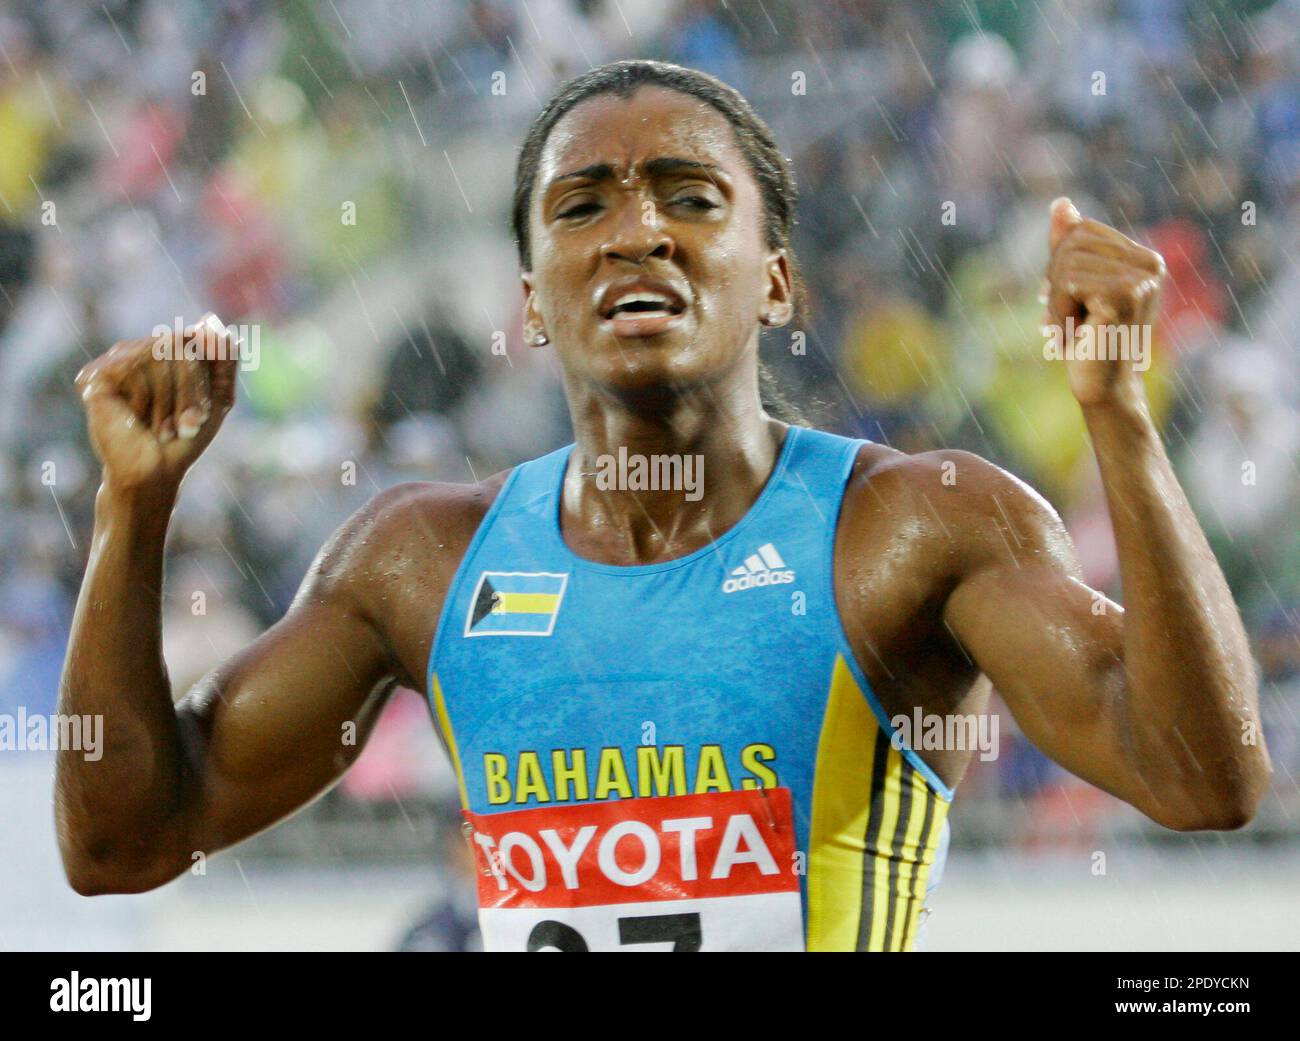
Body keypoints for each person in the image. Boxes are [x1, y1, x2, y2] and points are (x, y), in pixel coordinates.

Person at [56, 60, 1270, 952]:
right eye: (581, 206)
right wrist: (132, 509)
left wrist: (1118, 416)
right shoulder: (419, 561)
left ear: (778, 280)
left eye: (690, 198)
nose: (636, 232)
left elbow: (1200, 778)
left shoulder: (912, 527)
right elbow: (122, 846)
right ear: (532, 302)